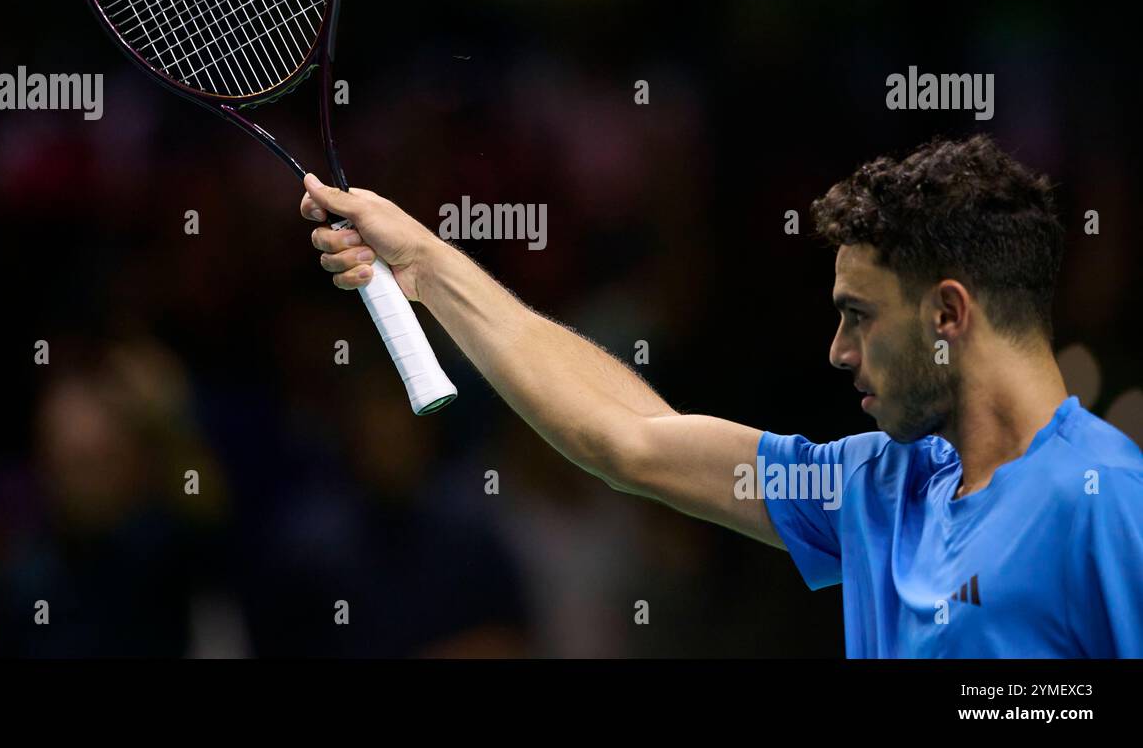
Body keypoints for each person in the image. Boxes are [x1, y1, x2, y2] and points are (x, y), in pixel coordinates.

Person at [299, 135, 1143, 658]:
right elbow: (626, 438)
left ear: (947, 314)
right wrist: (431, 270)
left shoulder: (1106, 506)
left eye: (859, 317)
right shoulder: (876, 487)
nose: (838, 351)